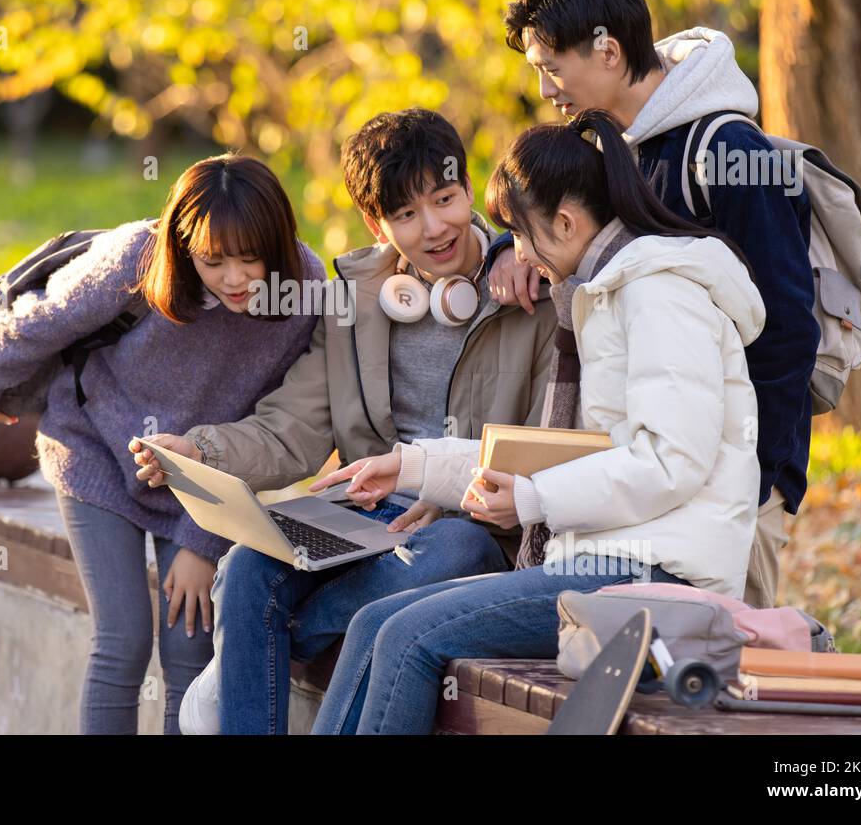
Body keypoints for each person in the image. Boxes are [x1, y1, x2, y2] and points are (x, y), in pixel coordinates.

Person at [311, 108, 764, 734]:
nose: (516, 256)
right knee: (376, 623)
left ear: (567, 222)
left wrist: (533, 498)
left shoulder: (660, 295)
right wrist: (411, 466)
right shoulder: (602, 296)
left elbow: (669, 461)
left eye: (520, 236)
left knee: (410, 636)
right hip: (600, 559)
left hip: (655, 571)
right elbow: (564, 451)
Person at [132, 108, 558, 734]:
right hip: (361, 511)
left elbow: (542, 446)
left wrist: (447, 498)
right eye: (406, 215)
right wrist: (200, 450)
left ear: (468, 191)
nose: (434, 228)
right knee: (249, 567)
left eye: (445, 199)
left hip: (465, 525)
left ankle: (250, 651)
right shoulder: (350, 305)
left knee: (455, 552)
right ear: (374, 223)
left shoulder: (528, 295)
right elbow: (291, 429)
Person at [0, 154, 324, 734]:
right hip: (93, 447)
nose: (236, 278)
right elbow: (43, 318)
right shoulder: (137, 257)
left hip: (198, 479)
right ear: (184, 243)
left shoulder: (304, 291)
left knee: (189, 648)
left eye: (252, 258)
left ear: (280, 241)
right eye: (214, 260)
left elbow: (269, 427)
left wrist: (201, 540)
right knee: (121, 639)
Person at [485, 0, 817, 608]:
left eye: (552, 68)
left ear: (606, 50)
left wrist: (754, 483)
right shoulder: (617, 147)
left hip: (731, 480)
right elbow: (571, 218)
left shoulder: (727, 153)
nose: (547, 90)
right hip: (644, 473)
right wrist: (510, 245)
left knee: (715, 687)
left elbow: (786, 330)